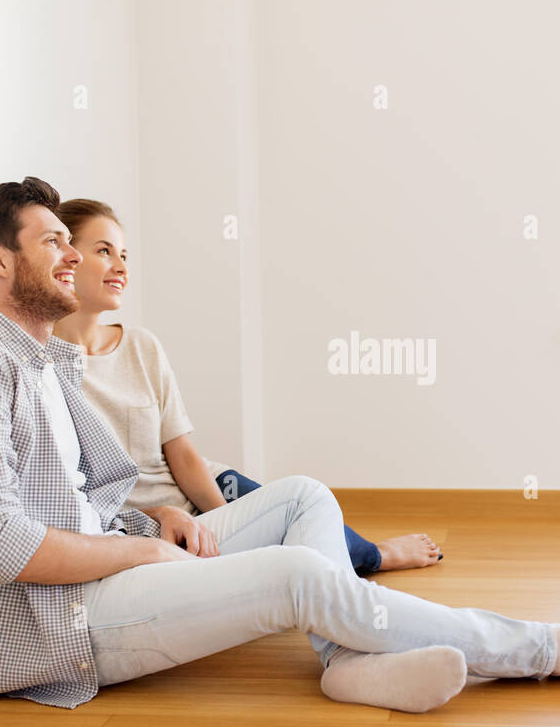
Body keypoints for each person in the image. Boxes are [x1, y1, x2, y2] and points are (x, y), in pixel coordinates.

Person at [0, 176, 560, 716]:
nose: (75, 256)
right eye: (53, 242)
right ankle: (551, 649)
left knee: (302, 494)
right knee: (302, 571)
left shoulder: (39, 358)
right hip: (51, 622)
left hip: (97, 573)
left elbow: (79, 503)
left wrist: (147, 528)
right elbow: (0, 546)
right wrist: (136, 557)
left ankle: (347, 663)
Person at [51, 197, 440, 575]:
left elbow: (182, 453)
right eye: (104, 251)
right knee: (292, 532)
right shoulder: (44, 366)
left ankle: (371, 555)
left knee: (305, 509)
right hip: (151, 523)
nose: (120, 266)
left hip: (203, 487)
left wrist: (228, 519)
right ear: (66, 258)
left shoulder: (142, 345)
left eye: (124, 255)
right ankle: (367, 564)